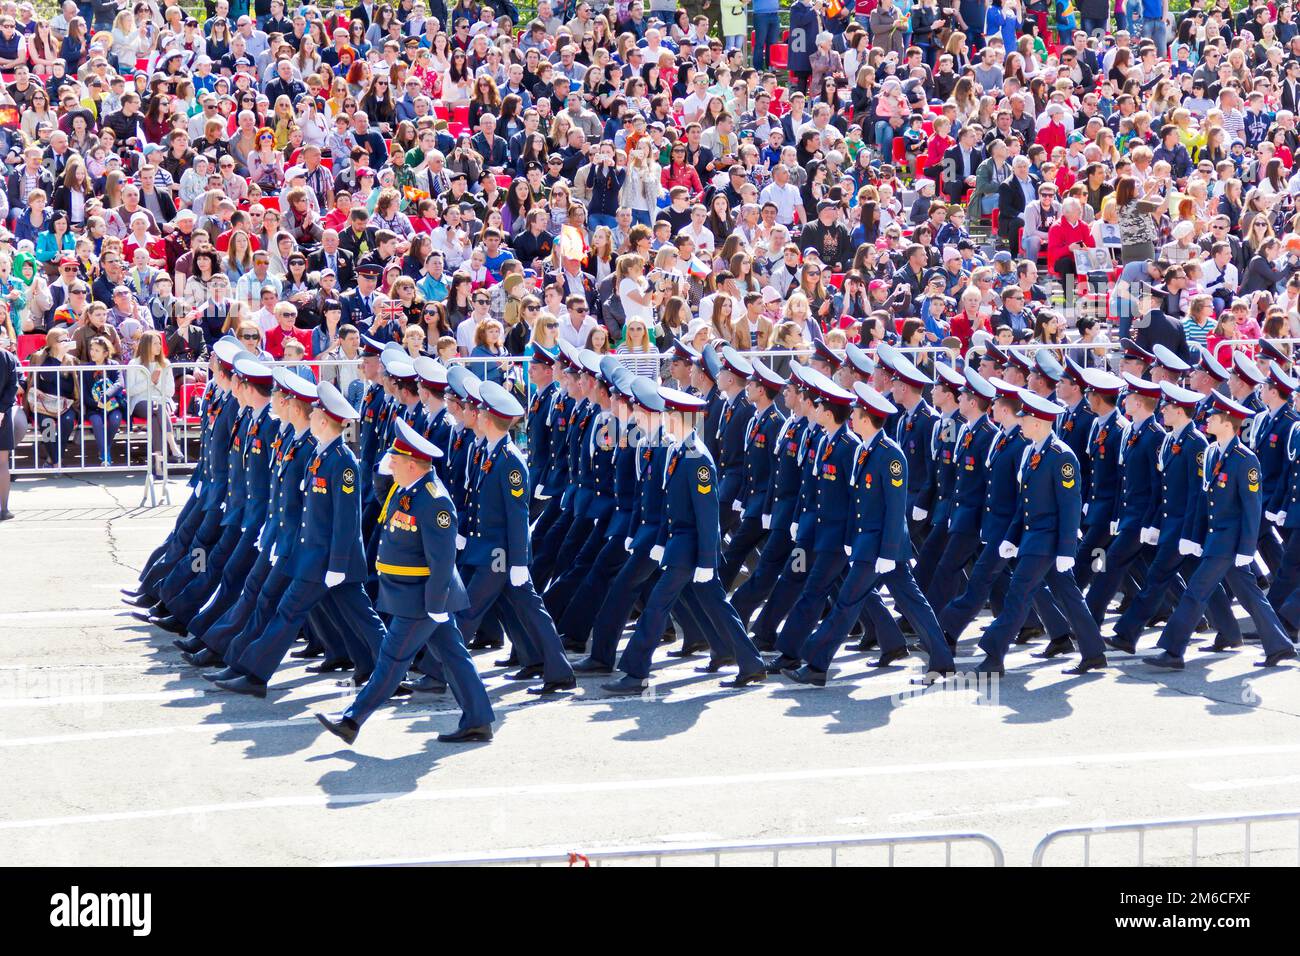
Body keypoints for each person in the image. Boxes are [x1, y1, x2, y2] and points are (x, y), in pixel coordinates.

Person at [316, 418, 495, 745]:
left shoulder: (435, 501)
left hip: (422, 600)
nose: (391, 464)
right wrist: (382, 474)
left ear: (413, 465)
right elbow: (386, 502)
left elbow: (442, 560)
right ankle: (479, 720)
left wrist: (436, 605)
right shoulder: (408, 488)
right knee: (454, 657)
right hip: (416, 596)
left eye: (395, 461)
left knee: (391, 661)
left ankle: (352, 720)